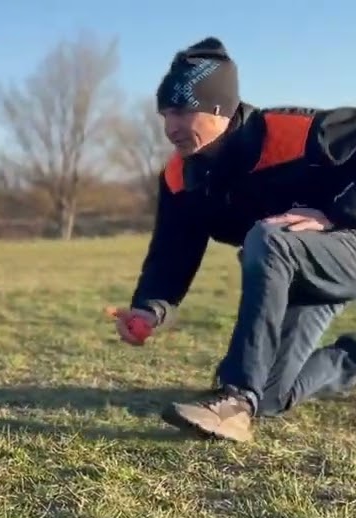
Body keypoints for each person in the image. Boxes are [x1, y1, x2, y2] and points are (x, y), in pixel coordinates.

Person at [116, 37, 356, 442]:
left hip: (344, 244)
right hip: (305, 272)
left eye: (181, 110)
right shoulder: (181, 179)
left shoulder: (295, 132)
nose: (170, 127)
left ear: (218, 109)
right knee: (273, 396)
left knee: (268, 238)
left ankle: (235, 399)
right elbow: (173, 252)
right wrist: (149, 309)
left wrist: (337, 213)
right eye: (164, 113)